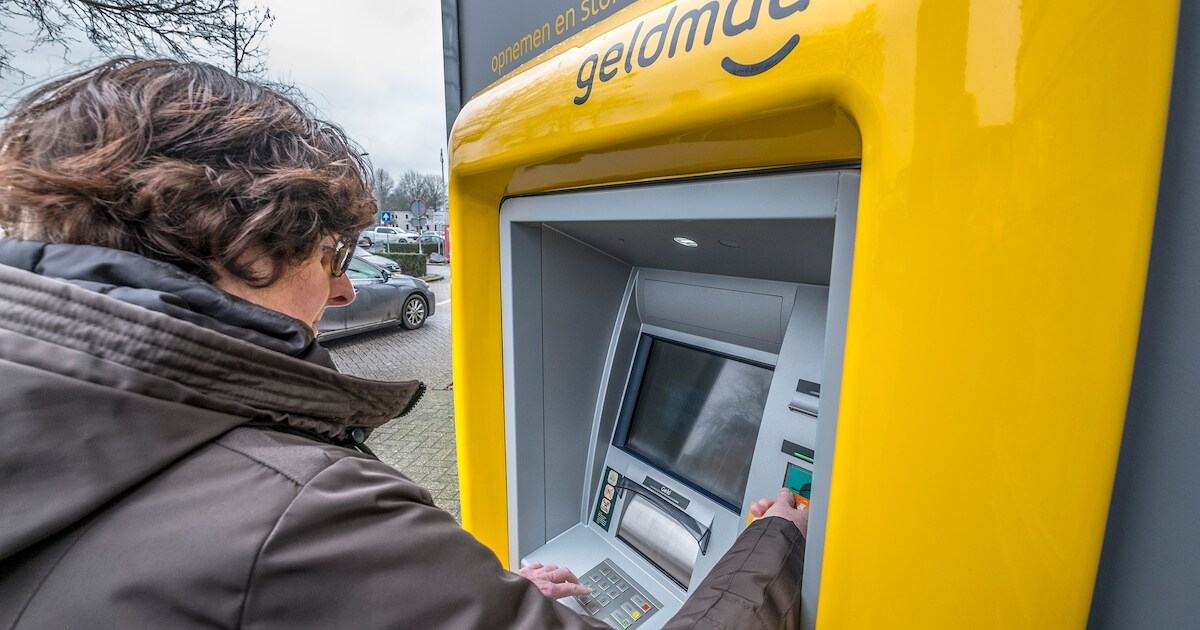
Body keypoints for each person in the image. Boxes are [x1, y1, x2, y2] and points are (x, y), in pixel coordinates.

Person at [0, 58, 808, 628]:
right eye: (330, 258)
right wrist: (774, 541)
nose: (345, 289)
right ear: (242, 249)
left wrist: (461, 606)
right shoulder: (302, 515)